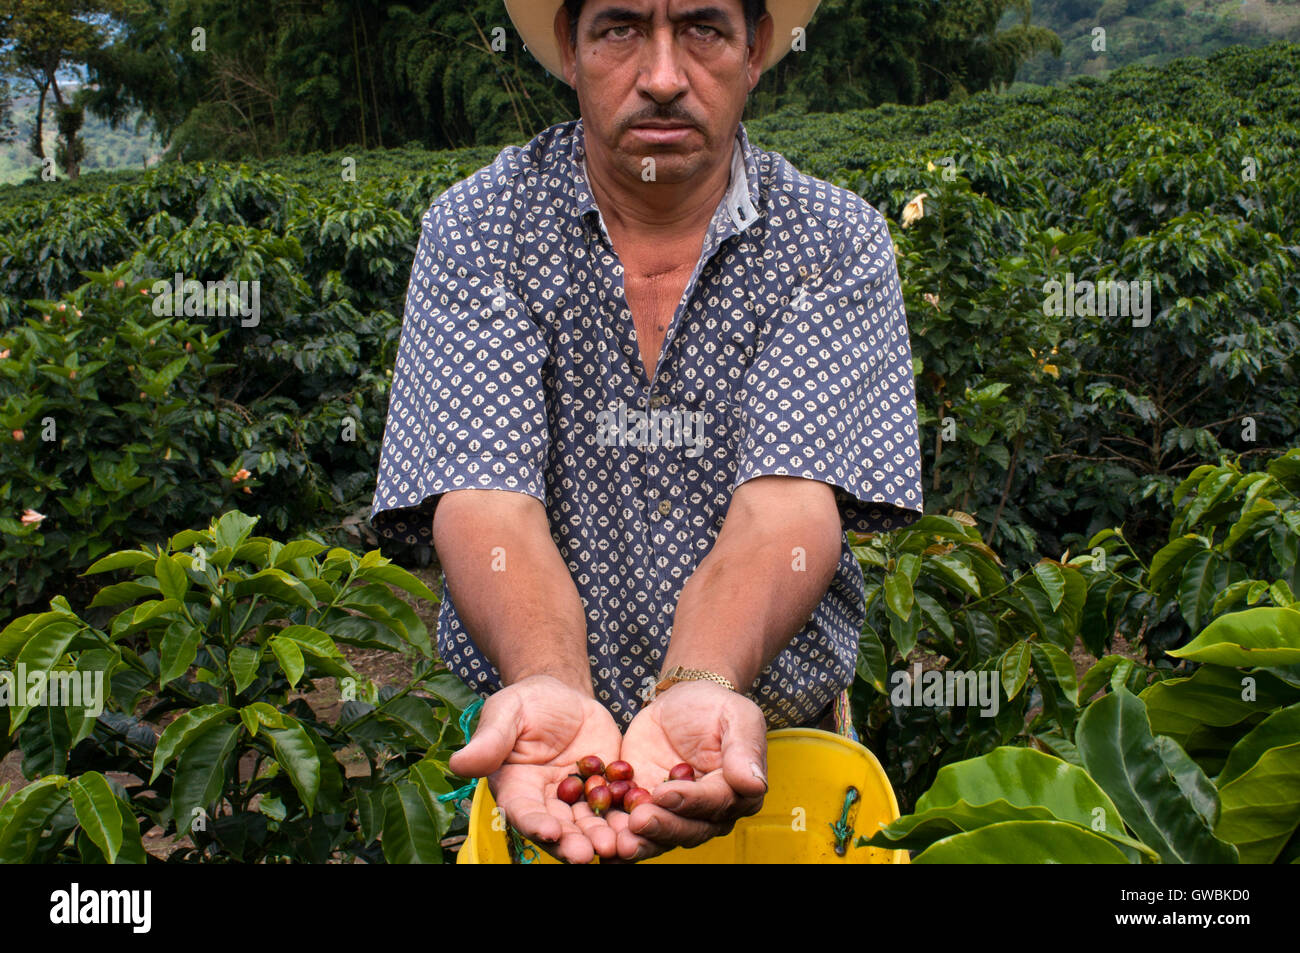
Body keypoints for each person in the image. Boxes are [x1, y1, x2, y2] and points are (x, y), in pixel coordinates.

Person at [368, 0, 923, 863]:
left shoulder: (831, 242)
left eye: (702, 28)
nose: (663, 77)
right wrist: (550, 680)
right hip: (548, 769)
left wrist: (699, 685)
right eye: (621, 29)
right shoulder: (480, 231)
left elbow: (784, 510)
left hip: (768, 762)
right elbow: (488, 503)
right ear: (570, 46)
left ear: (756, 47)